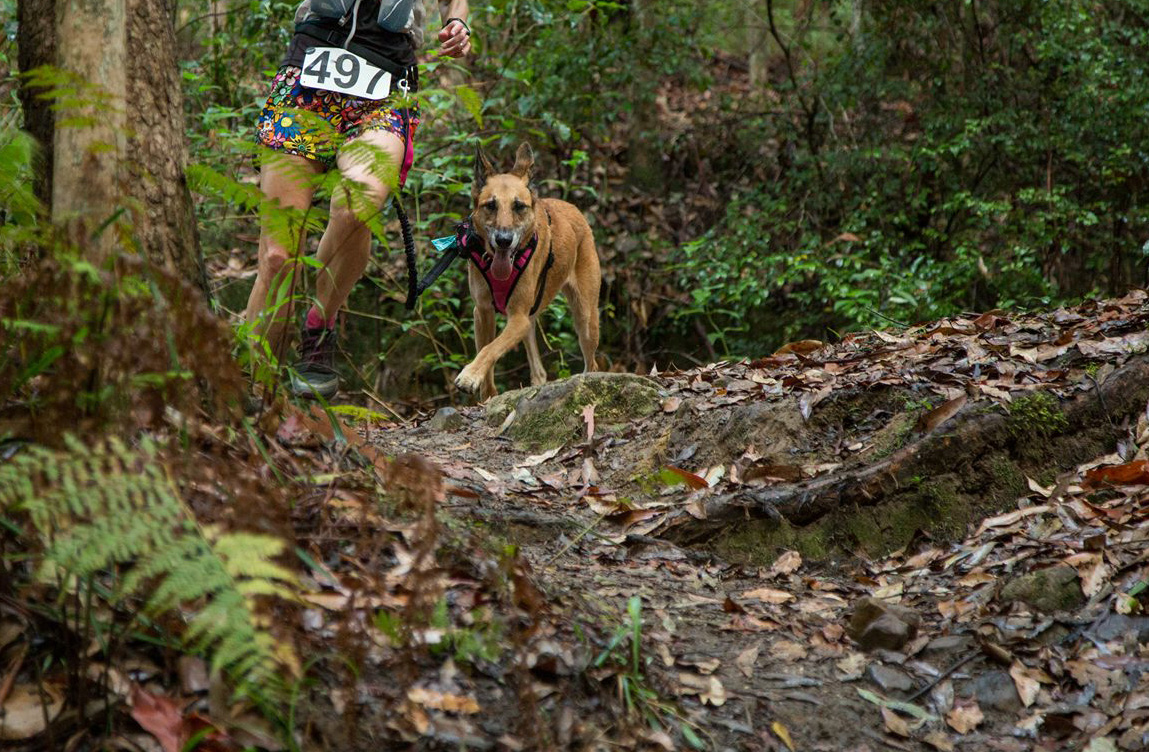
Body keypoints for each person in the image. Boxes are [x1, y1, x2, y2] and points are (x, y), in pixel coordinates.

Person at [245, 0, 471, 399]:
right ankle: (257, 395)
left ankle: (319, 325)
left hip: (385, 80)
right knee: (278, 257)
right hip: (306, 70)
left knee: (357, 205)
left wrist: (455, 21)